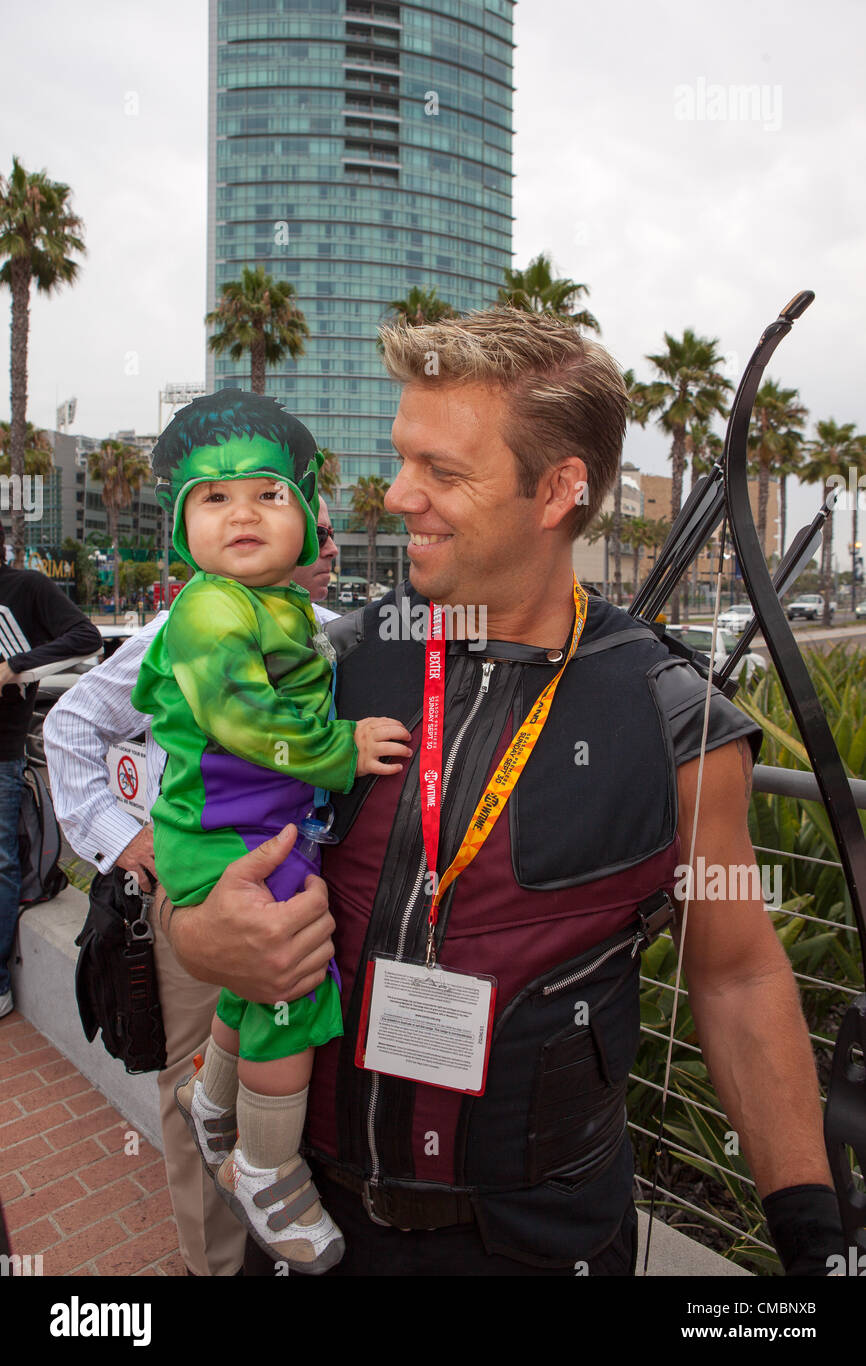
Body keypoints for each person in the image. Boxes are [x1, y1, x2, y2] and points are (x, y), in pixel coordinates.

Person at [53, 308, 843, 1277]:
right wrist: (197, 935)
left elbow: (734, 973)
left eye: (442, 471)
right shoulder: (322, 666)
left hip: (539, 1243)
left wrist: (807, 1226)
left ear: (557, 490)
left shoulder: (670, 717)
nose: (394, 496)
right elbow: (203, 842)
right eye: (399, 459)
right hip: (307, 1226)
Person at [43, 493, 343, 1278]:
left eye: (323, 525)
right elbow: (71, 724)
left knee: (244, 1075)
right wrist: (126, 839)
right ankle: (212, 1265)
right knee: (197, 1105)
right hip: (198, 896)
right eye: (319, 529)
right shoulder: (193, 625)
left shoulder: (304, 626)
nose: (330, 547)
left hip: (269, 887)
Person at [0, 522, 102, 1019]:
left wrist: (16, 666)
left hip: (2, 751)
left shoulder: (26, 588)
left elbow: (87, 635)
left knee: (1, 863)